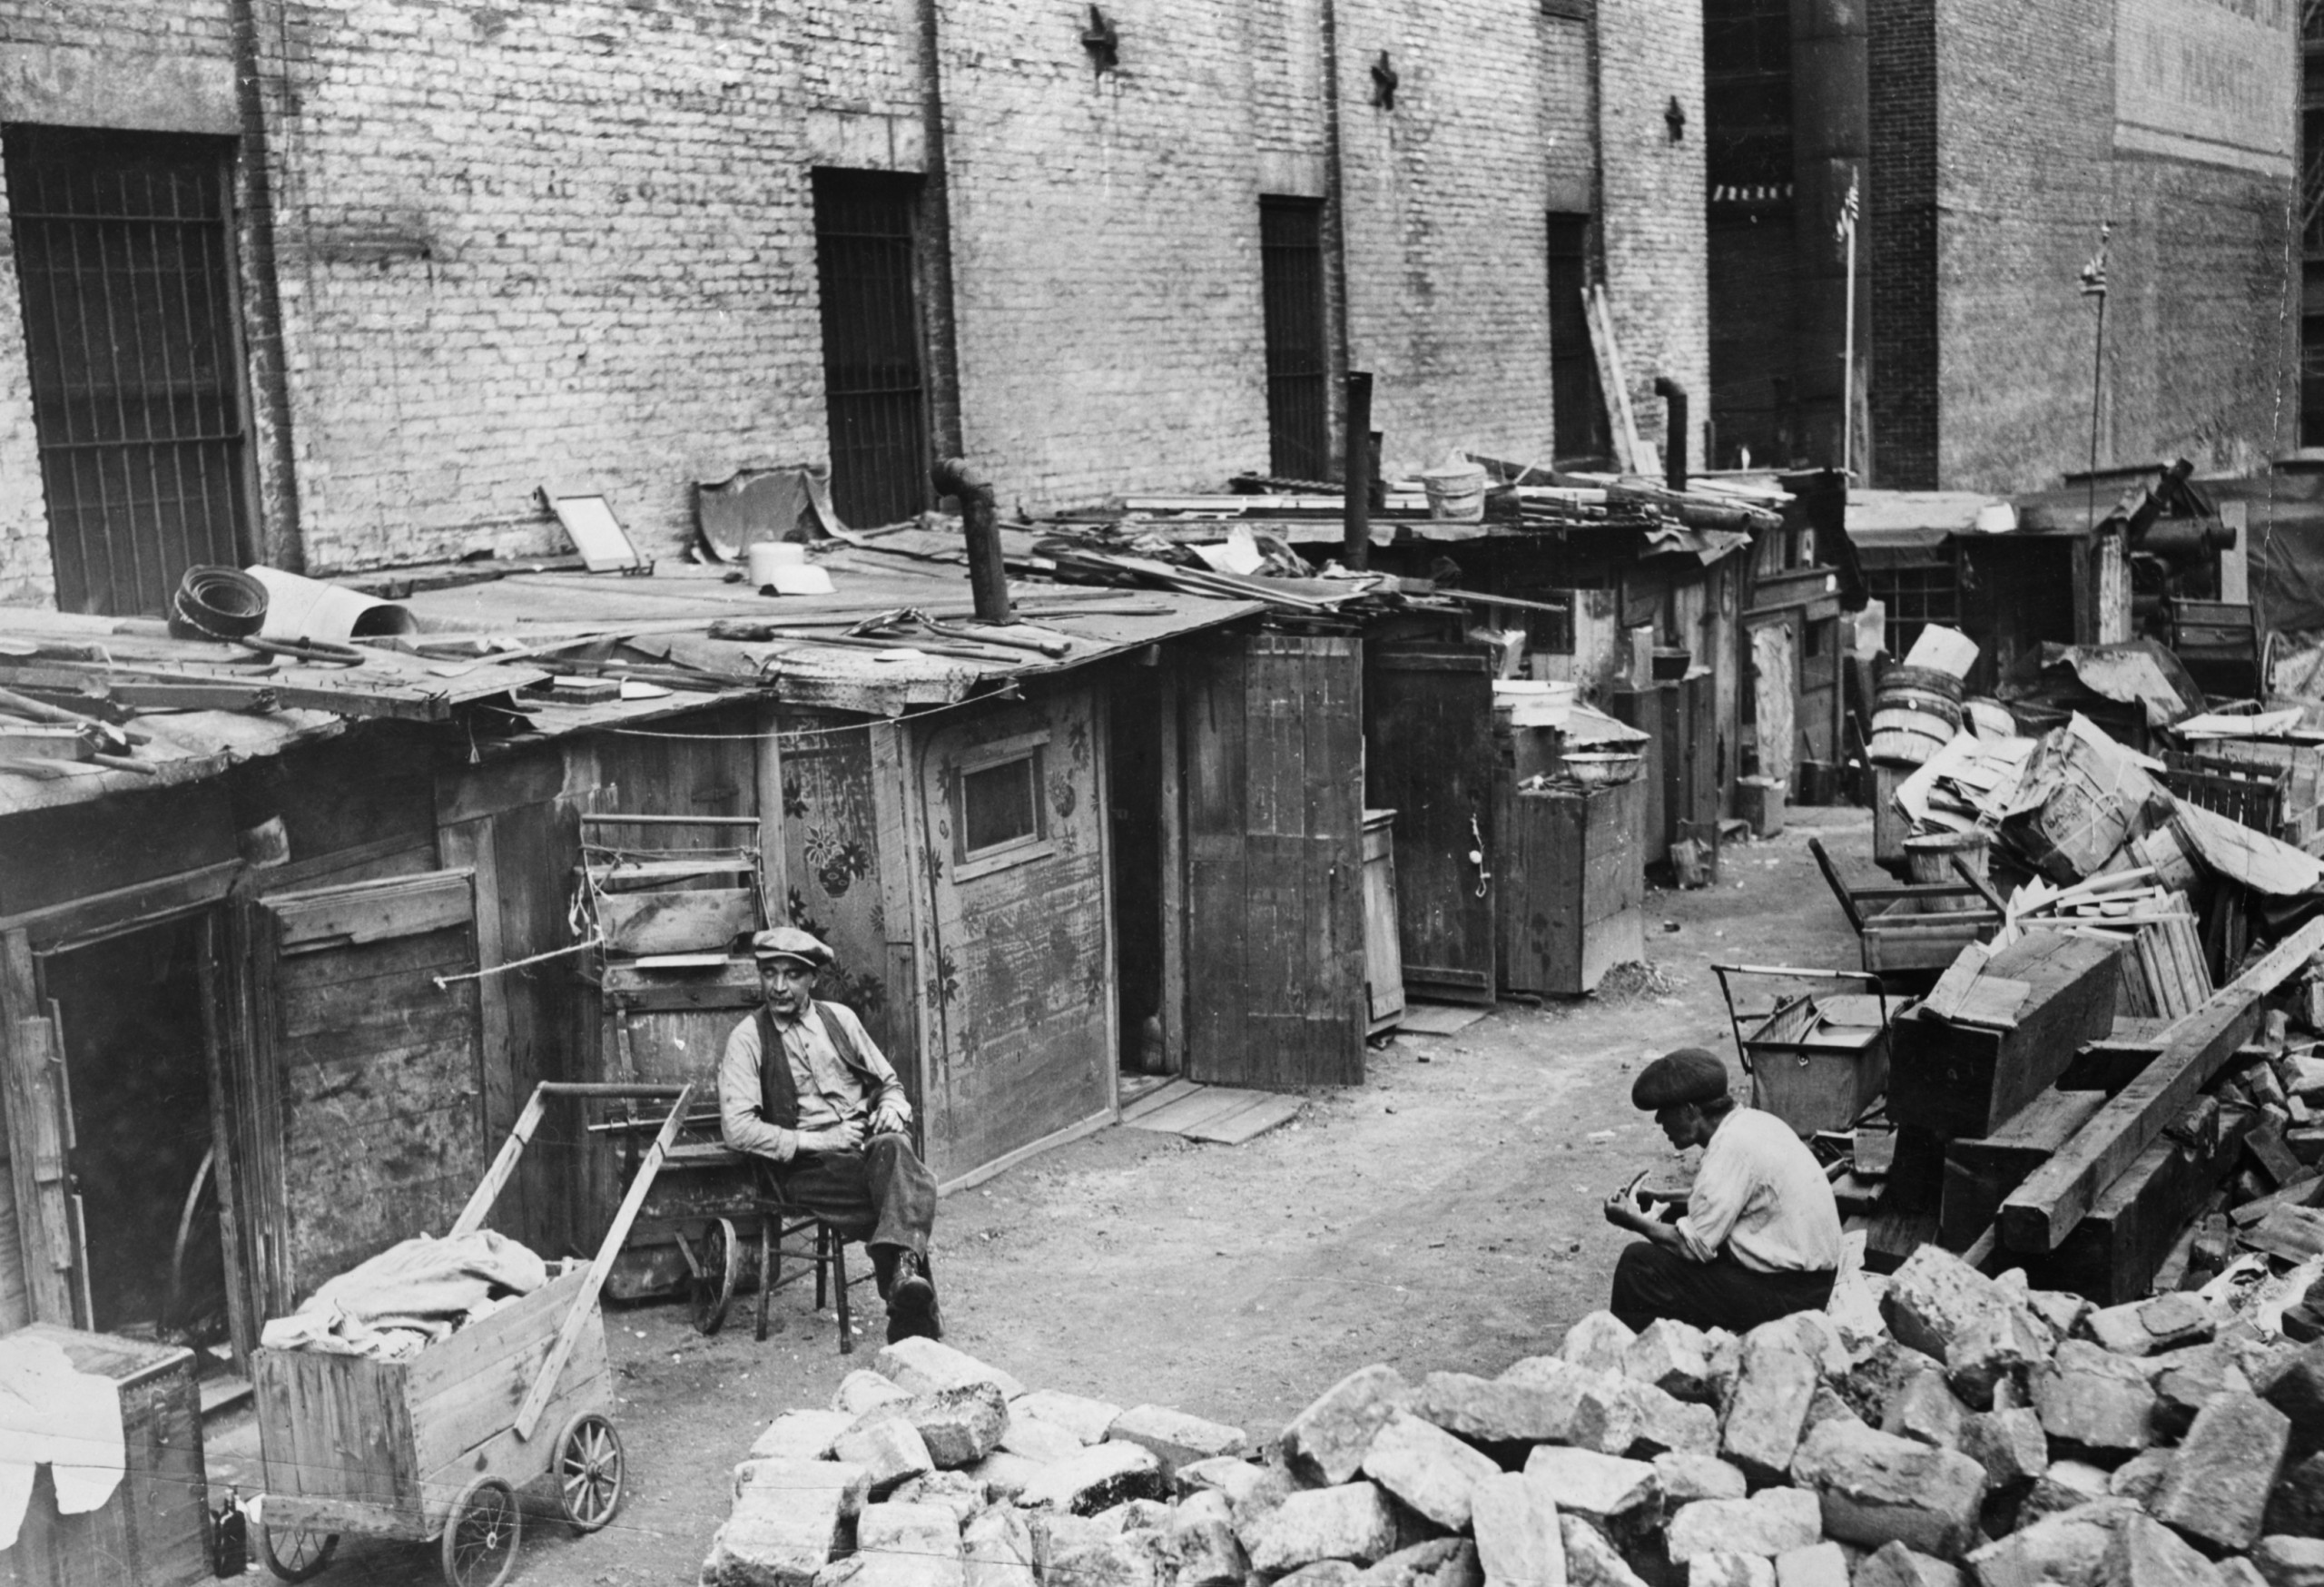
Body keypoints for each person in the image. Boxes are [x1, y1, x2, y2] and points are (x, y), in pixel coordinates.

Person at [719, 926, 943, 1342]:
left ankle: (904, 1282)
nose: (779, 987)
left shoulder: (840, 1019)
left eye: (792, 975)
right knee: (905, 1186)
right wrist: (823, 1140)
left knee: (894, 1146)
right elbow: (737, 1129)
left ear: (813, 978)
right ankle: (907, 1280)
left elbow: (888, 1084)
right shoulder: (747, 1039)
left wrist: (891, 1107)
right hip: (807, 1166)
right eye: (770, 973)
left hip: (866, 1149)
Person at [1601, 1046, 1842, 1333]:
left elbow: (1692, 1249)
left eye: (1665, 1111)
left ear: (1690, 1111)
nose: (1659, 1121)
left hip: (1790, 1298)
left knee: (1638, 1264)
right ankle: (1682, 1336)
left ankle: (1630, 1350)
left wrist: (1632, 1220)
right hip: (1810, 1281)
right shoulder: (1750, 1123)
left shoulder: (1730, 1149)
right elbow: (1727, 1197)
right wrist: (1660, 1197)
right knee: (1673, 1216)